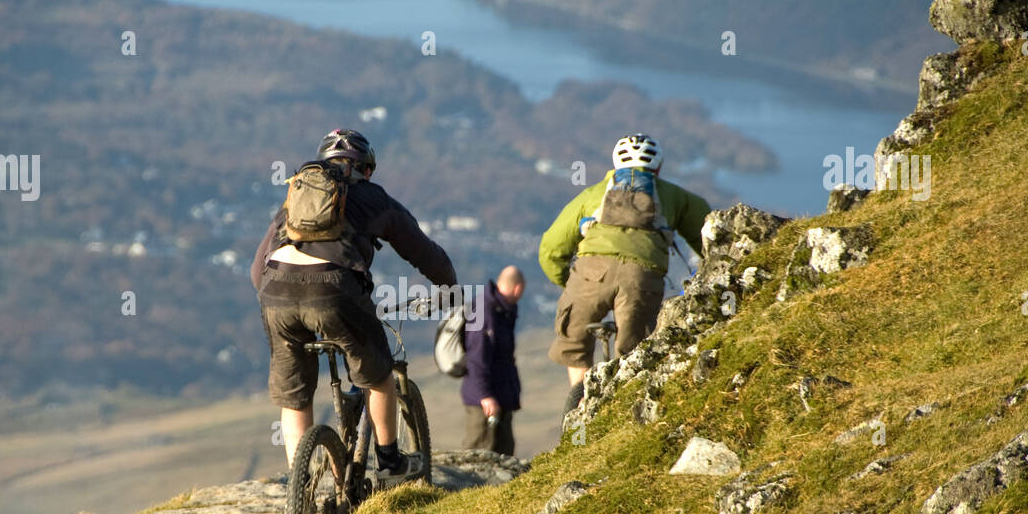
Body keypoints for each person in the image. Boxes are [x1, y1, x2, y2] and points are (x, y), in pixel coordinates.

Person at [251, 128, 457, 482]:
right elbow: (422, 250)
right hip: (335, 290)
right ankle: (390, 464)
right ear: (365, 169)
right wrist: (450, 287)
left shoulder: (294, 199)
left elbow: (257, 269)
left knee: (295, 395)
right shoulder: (373, 198)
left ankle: (301, 488)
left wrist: (281, 301)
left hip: (276, 291)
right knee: (378, 375)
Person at [539, 134, 710, 388]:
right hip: (641, 277)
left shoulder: (592, 194)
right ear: (658, 167)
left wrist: (568, 282)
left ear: (615, 164)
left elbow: (551, 247)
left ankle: (580, 401)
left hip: (591, 274)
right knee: (634, 355)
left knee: (573, 345)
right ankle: (624, 405)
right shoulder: (676, 197)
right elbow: (709, 235)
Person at [460, 266, 525, 456]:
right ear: (518, 289)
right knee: (478, 456)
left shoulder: (501, 311)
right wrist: (485, 395)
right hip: (485, 403)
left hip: (500, 396)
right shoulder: (486, 312)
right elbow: (476, 358)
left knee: (503, 454)